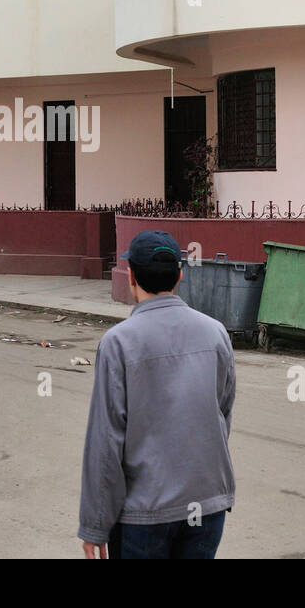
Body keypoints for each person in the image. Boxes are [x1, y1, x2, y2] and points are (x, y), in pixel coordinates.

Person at [77, 230, 236, 559]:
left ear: (131, 276)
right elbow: (221, 413)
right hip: (206, 508)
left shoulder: (118, 342)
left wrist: (95, 526)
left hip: (145, 515)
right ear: (179, 275)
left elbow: (105, 441)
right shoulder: (215, 332)